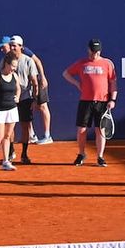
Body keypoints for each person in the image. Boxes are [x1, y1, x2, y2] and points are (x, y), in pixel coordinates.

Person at [62, 38, 116, 168]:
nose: (94, 55)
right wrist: (77, 84)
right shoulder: (82, 63)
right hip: (85, 101)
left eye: (97, 52)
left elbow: (113, 82)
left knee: (100, 130)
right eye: (92, 52)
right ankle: (81, 154)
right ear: (88, 50)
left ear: (100, 51)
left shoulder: (107, 63)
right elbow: (66, 74)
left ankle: (100, 157)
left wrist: (112, 99)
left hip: (102, 102)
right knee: (82, 129)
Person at [11, 35, 52, 145]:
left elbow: (37, 61)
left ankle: (47, 135)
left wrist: (42, 77)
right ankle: (31, 135)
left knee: (42, 106)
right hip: (24, 89)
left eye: (12, 46)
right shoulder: (8, 58)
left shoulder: (26, 52)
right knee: (27, 110)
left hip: (37, 80)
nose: (9, 48)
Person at [8, 35, 39, 164]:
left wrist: (35, 99)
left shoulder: (28, 61)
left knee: (25, 126)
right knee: (10, 127)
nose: (12, 47)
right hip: (10, 99)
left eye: (15, 45)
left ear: (21, 47)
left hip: (26, 99)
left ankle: (24, 154)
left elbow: (34, 82)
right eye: (11, 45)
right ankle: (10, 151)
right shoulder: (6, 60)